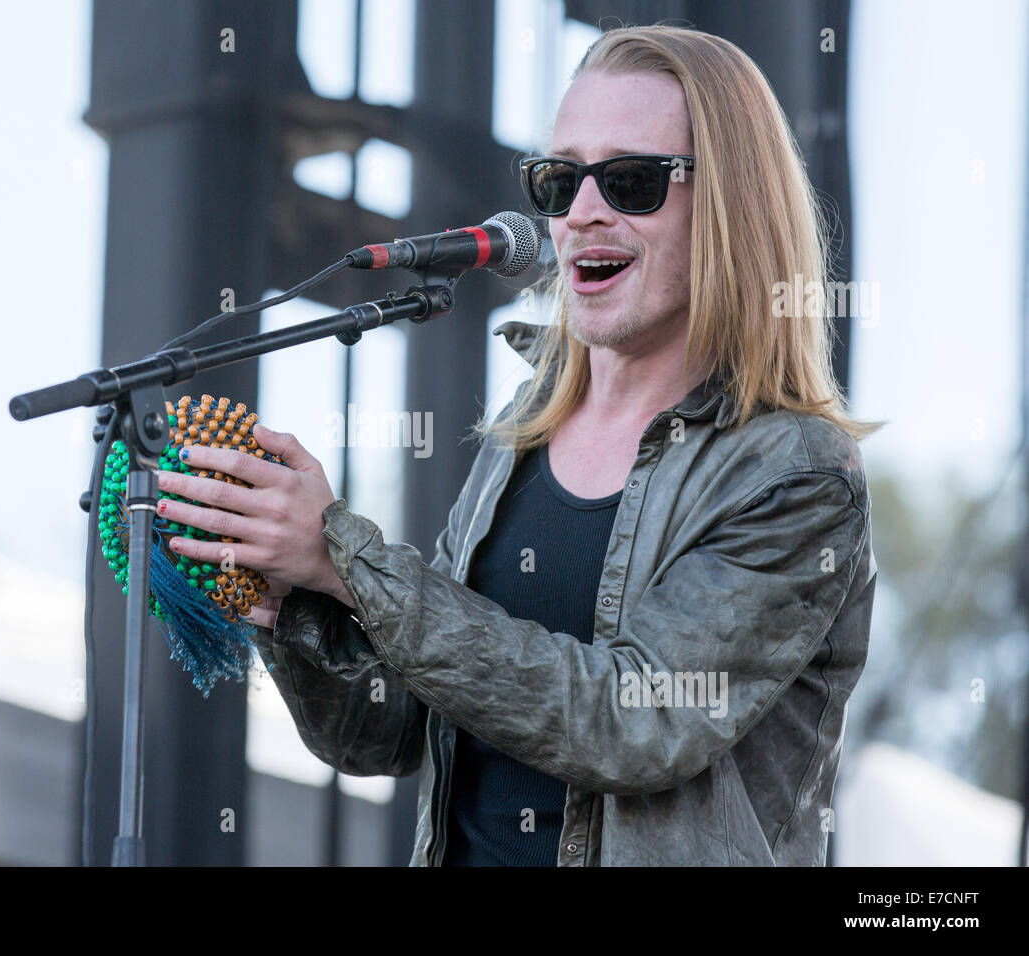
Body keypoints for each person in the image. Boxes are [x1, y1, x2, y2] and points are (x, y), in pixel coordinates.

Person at [153, 23, 879, 866]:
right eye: (559, 178)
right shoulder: (522, 430)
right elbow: (387, 737)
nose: (581, 212)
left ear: (731, 206)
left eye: (633, 180)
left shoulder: (795, 474)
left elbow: (631, 724)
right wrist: (292, 603)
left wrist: (346, 558)